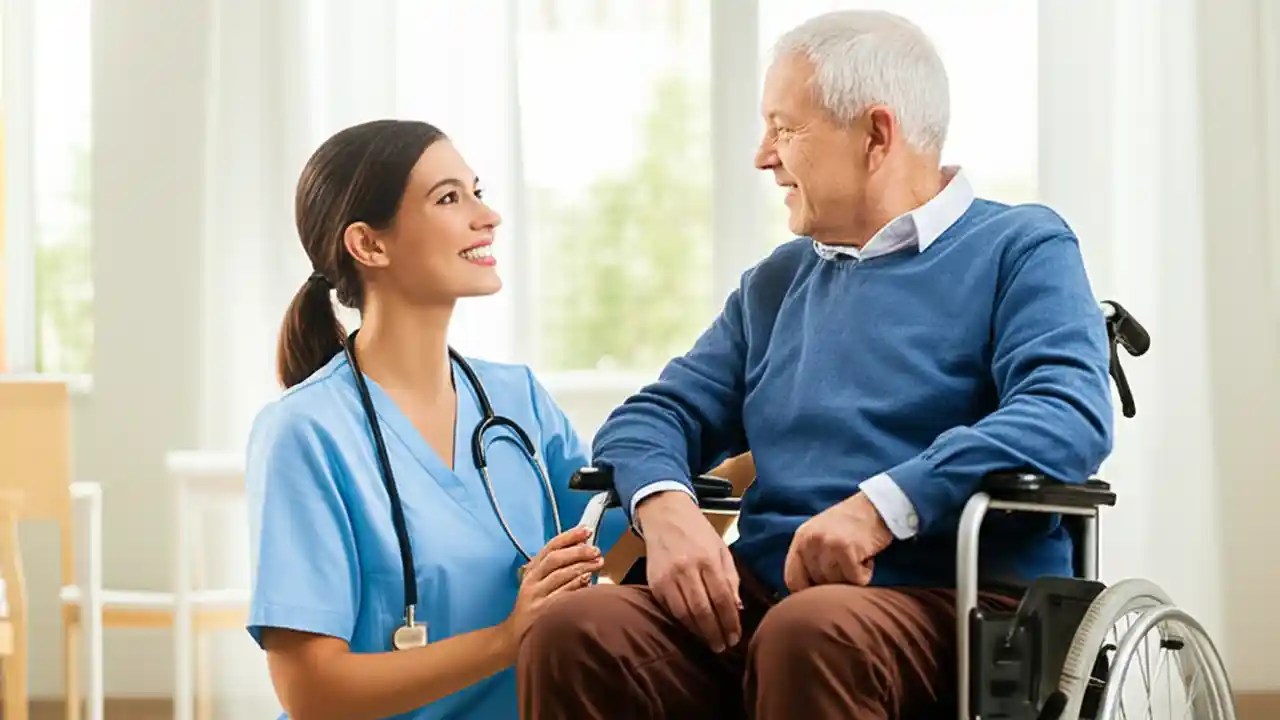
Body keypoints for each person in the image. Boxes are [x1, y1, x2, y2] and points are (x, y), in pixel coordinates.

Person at [517, 10, 1114, 720]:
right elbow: (652, 416)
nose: (763, 156)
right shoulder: (777, 283)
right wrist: (666, 509)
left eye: (785, 128)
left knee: (809, 633)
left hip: (955, 601)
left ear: (876, 135)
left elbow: (1065, 415)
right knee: (575, 632)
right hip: (772, 601)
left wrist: (881, 510)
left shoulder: (1021, 247)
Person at [243, 119, 625, 720]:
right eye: (450, 198)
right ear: (369, 244)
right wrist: (508, 638)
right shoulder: (306, 433)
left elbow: (618, 550)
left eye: (477, 190)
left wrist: (746, 460)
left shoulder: (516, 401)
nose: (488, 215)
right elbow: (311, 690)